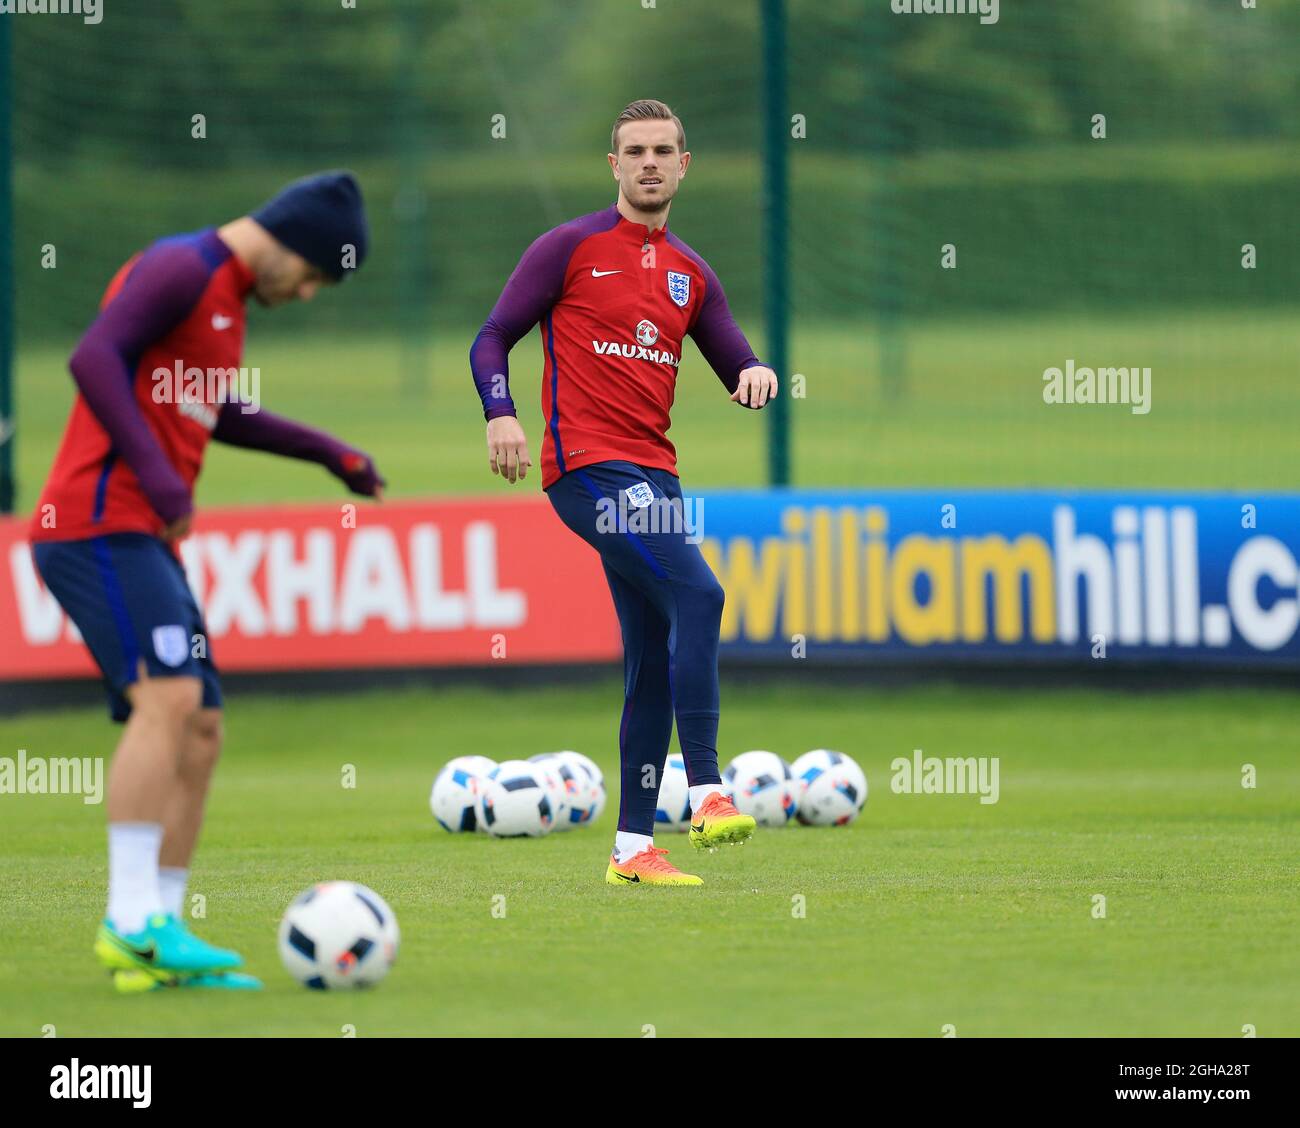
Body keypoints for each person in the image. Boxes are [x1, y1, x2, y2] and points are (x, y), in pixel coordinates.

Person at [29, 171, 385, 990]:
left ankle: (163, 938)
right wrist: (160, 480)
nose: (304, 296)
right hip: (94, 524)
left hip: (140, 533)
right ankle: (130, 924)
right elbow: (94, 356)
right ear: (291, 242)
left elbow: (216, 410)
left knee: (203, 726)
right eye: (313, 278)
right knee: (171, 702)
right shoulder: (181, 267)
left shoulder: (225, 303)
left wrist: (330, 453)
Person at [470, 100, 778, 886]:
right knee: (701, 596)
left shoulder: (691, 274)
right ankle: (707, 789)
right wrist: (501, 413)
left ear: (683, 165)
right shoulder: (568, 249)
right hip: (587, 470)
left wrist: (756, 373)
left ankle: (633, 851)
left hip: (656, 478)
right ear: (614, 165)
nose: (649, 162)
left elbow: (735, 355)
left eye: (663, 150)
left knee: (648, 659)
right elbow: (492, 336)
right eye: (634, 150)